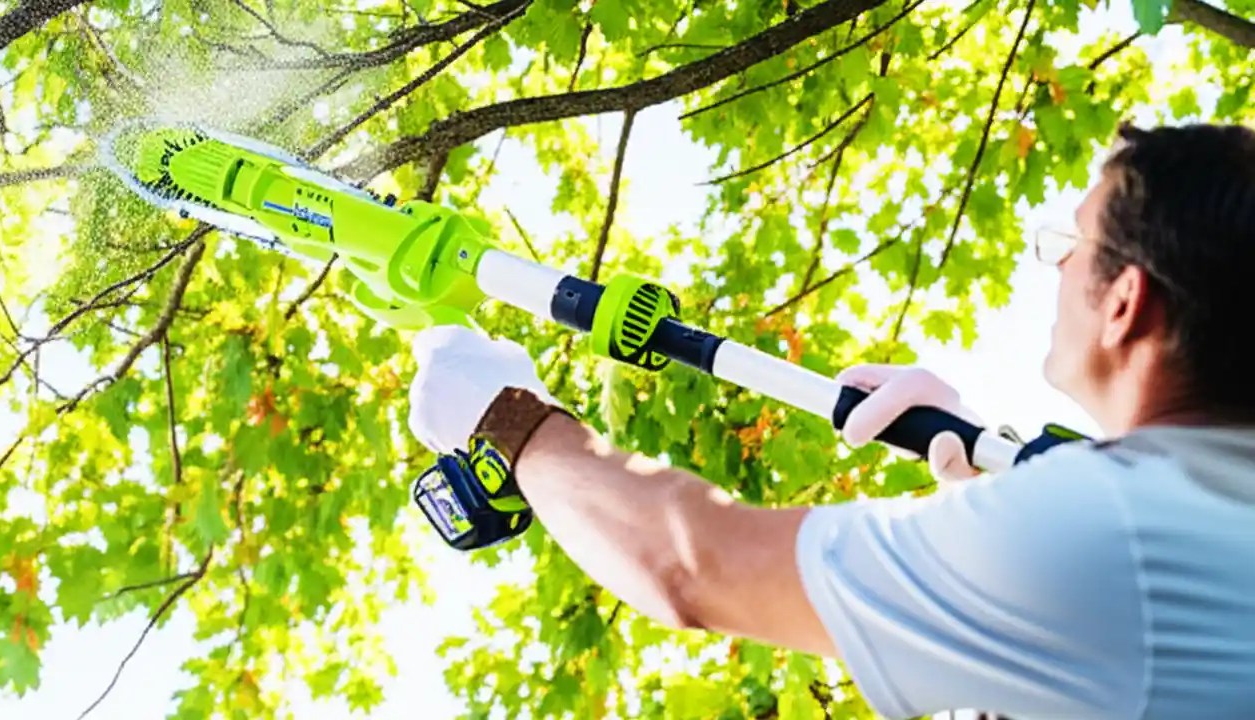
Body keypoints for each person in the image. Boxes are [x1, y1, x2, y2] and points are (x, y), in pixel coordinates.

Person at [406, 121, 1255, 719]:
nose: (1057, 268)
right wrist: (982, 458)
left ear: (1124, 304)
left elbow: (688, 564)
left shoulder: (1106, 536)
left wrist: (511, 427)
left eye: (1069, 247)